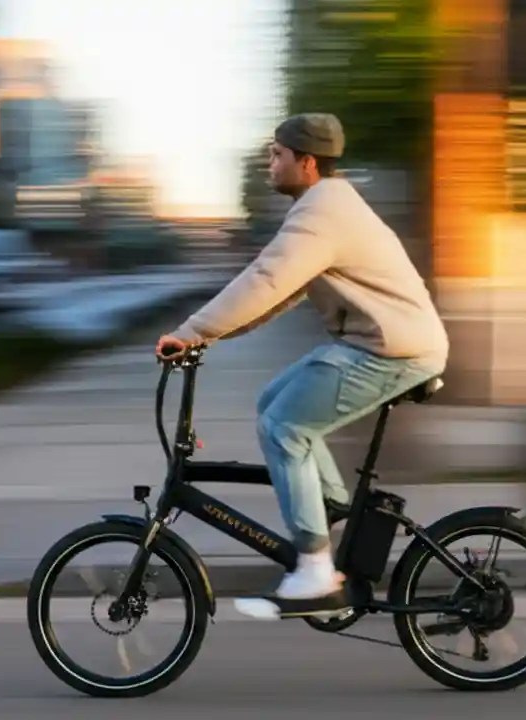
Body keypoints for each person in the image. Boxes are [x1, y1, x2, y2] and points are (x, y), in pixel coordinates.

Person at [155, 113, 449, 619]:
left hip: (391, 350)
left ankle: (315, 571)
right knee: (273, 403)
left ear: (305, 162)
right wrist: (210, 337)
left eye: (276, 154)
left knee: (284, 427)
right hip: (382, 343)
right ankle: (331, 508)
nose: (270, 163)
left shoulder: (322, 213)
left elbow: (264, 279)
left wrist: (191, 332)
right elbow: (281, 293)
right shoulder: (323, 207)